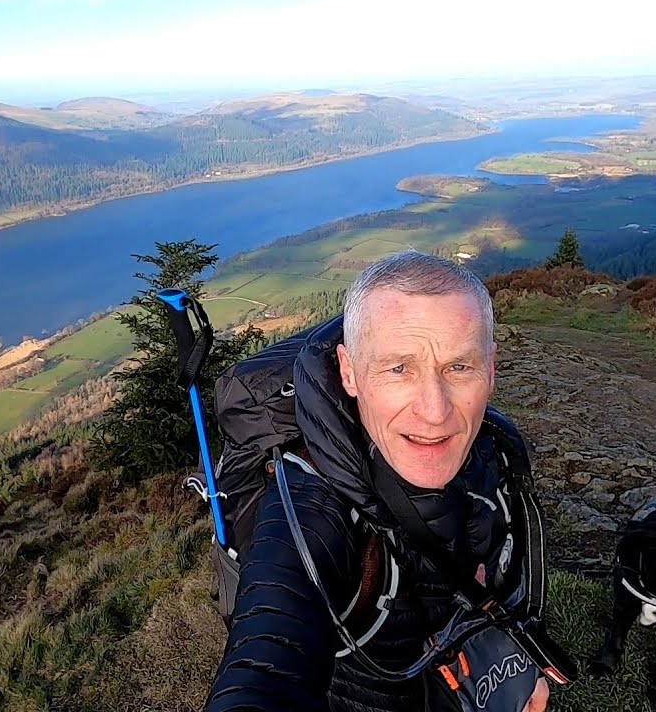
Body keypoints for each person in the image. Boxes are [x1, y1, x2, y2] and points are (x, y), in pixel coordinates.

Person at [203, 251, 550, 712]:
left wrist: (520, 662)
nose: (435, 411)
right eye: (399, 369)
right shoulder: (308, 508)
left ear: (490, 367)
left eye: (458, 368)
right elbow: (265, 669)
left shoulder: (494, 448)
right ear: (349, 372)